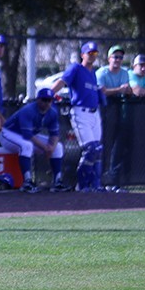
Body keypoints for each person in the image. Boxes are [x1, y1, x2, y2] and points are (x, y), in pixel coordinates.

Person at [52, 42, 106, 192]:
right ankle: (82, 186)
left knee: (98, 150)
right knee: (91, 149)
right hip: (80, 112)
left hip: (95, 113)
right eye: (89, 53)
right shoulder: (76, 68)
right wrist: (49, 94)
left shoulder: (93, 73)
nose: (92, 56)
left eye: (94, 53)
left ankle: (96, 185)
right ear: (82, 54)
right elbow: (62, 82)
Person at [0, 88, 68, 193]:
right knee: (27, 145)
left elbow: (54, 134)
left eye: (49, 100)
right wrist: (45, 148)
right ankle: (27, 182)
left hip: (25, 136)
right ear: (38, 100)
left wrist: (51, 149)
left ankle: (57, 181)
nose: (47, 103)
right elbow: (28, 135)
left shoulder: (52, 112)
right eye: (44, 100)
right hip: (8, 134)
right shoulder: (28, 110)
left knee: (58, 147)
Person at [96, 45, 132, 191]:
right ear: (109, 58)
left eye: (120, 57)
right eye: (115, 57)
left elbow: (129, 89)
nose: (118, 60)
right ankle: (99, 182)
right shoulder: (101, 73)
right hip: (104, 111)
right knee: (103, 145)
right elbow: (102, 92)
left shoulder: (125, 73)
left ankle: (114, 182)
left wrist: (126, 90)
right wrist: (119, 90)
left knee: (118, 147)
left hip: (119, 112)